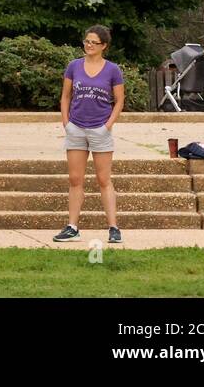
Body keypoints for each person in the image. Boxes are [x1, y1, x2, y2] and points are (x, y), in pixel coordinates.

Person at [54, 25, 125, 244]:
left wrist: (107, 125)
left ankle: (113, 227)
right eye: (86, 41)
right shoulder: (73, 66)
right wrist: (66, 123)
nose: (88, 45)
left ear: (104, 45)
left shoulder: (112, 70)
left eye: (93, 42)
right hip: (76, 127)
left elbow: (119, 100)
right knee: (75, 179)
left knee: (104, 179)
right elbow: (65, 96)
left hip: (100, 129)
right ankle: (72, 226)